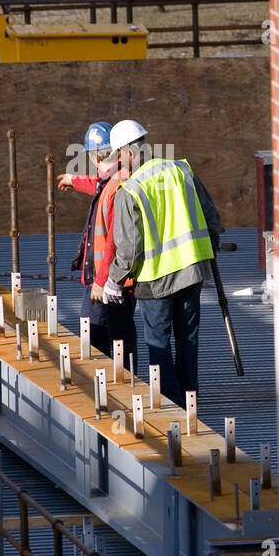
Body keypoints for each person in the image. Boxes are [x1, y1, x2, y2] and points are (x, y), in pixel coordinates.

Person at [102, 120, 223, 407]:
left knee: (158, 343)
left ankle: (170, 405)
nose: (119, 162)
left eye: (119, 155)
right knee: (188, 339)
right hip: (192, 272)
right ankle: (190, 401)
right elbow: (212, 217)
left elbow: (130, 248)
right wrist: (209, 251)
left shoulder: (130, 190)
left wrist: (114, 279)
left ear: (129, 153)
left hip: (156, 279)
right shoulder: (181, 170)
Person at [63, 121, 138, 364]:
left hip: (109, 281)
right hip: (112, 279)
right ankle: (123, 383)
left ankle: (116, 387)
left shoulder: (118, 185)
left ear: (94, 157)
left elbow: (115, 242)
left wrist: (100, 280)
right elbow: (97, 185)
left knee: (101, 337)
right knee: (117, 334)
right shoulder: (115, 178)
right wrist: (74, 180)